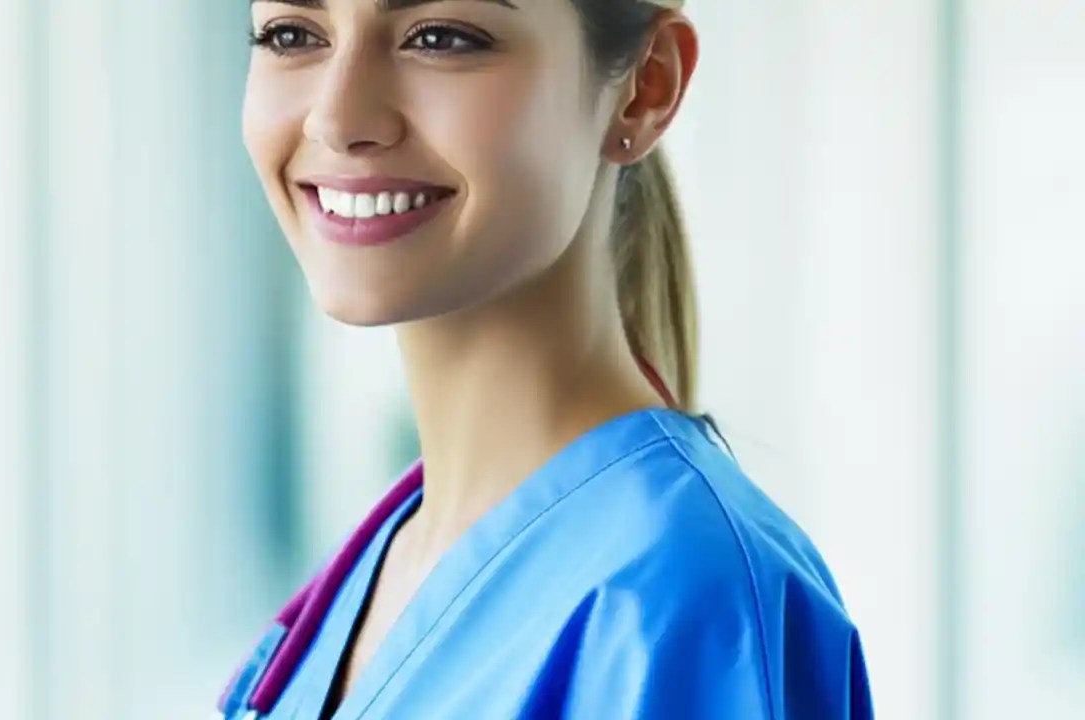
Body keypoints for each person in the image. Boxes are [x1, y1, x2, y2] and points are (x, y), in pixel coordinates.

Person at [217, 0, 874, 717]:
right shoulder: (389, 560)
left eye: (441, 38)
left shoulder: (686, 599)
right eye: (292, 35)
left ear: (645, 87)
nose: (338, 119)